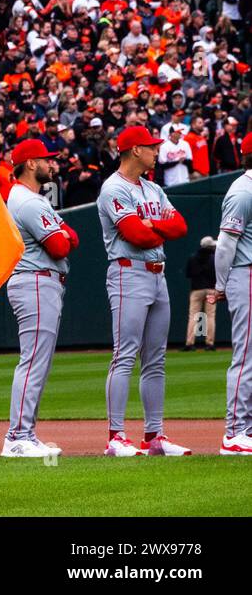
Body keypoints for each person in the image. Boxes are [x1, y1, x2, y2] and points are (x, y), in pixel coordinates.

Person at [97, 126, 191, 456]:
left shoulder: (152, 187)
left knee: (156, 360)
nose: (156, 151)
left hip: (157, 274)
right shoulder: (113, 189)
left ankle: (154, 436)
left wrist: (155, 226)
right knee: (124, 356)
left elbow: (181, 226)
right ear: (135, 150)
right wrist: (154, 229)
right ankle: (115, 437)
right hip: (128, 273)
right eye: (151, 147)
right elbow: (137, 235)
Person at [1, 139, 74, 458]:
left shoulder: (29, 198)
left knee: (36, 361)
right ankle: (17, 436)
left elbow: (72, 236)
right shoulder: (28, 202)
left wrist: (65, 234)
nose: (52, 164)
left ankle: (24, 433)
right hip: (35, 281)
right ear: (30, 163)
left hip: (38, 281)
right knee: (33, 361)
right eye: (46, 159)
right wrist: (64, 234)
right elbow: (61, 245)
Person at [214, 137, 252, 454]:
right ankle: (234, 432)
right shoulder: (242, 191)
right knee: (246, 356)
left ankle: (247, 428)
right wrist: (221, 284)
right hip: (245, 273)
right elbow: (225, 244)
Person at [184, 235, 217, 352]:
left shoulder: (193, 257)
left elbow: (188, 274)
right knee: (210, 316)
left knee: (193, 316)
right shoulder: (214, 258)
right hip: (211, 290)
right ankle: (210, 343)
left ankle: (189, 343)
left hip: (197, 290)